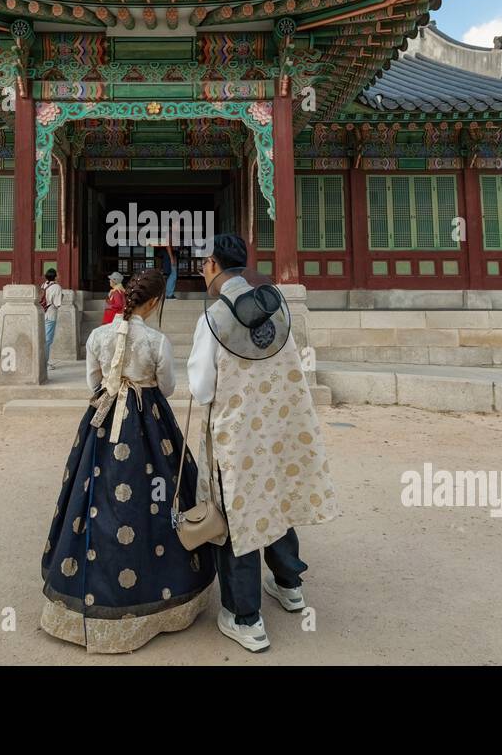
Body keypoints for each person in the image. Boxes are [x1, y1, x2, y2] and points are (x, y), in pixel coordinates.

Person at [40, 269, 216, 652]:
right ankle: (162, 590)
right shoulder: (157, 340)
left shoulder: (98, 336)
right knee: (156, 495)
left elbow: (93, 382)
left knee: (92, 495)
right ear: (154, 302)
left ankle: (87, 587)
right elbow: (167, 386)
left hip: (103, 421)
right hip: (149, 422)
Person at [187, 234, 340, 653]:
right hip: (279, 430)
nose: (203, 271)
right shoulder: (277, 310)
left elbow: (201, 388)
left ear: (215, 265)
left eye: (204, 264)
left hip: (236, 436)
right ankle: (290, 585)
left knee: (238, 515)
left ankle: (244, 617)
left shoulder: (213, 319)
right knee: (276, 498)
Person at [39, 268, 64, 374]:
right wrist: (62, 297)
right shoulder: (57, 287)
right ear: (55, 276)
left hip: (42, 314)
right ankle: (45, 362)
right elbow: (57, 304)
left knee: (42, 339)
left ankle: (42, 360)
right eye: (58, 274)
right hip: (51, 315)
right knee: (48, 340)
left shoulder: (44, 284)